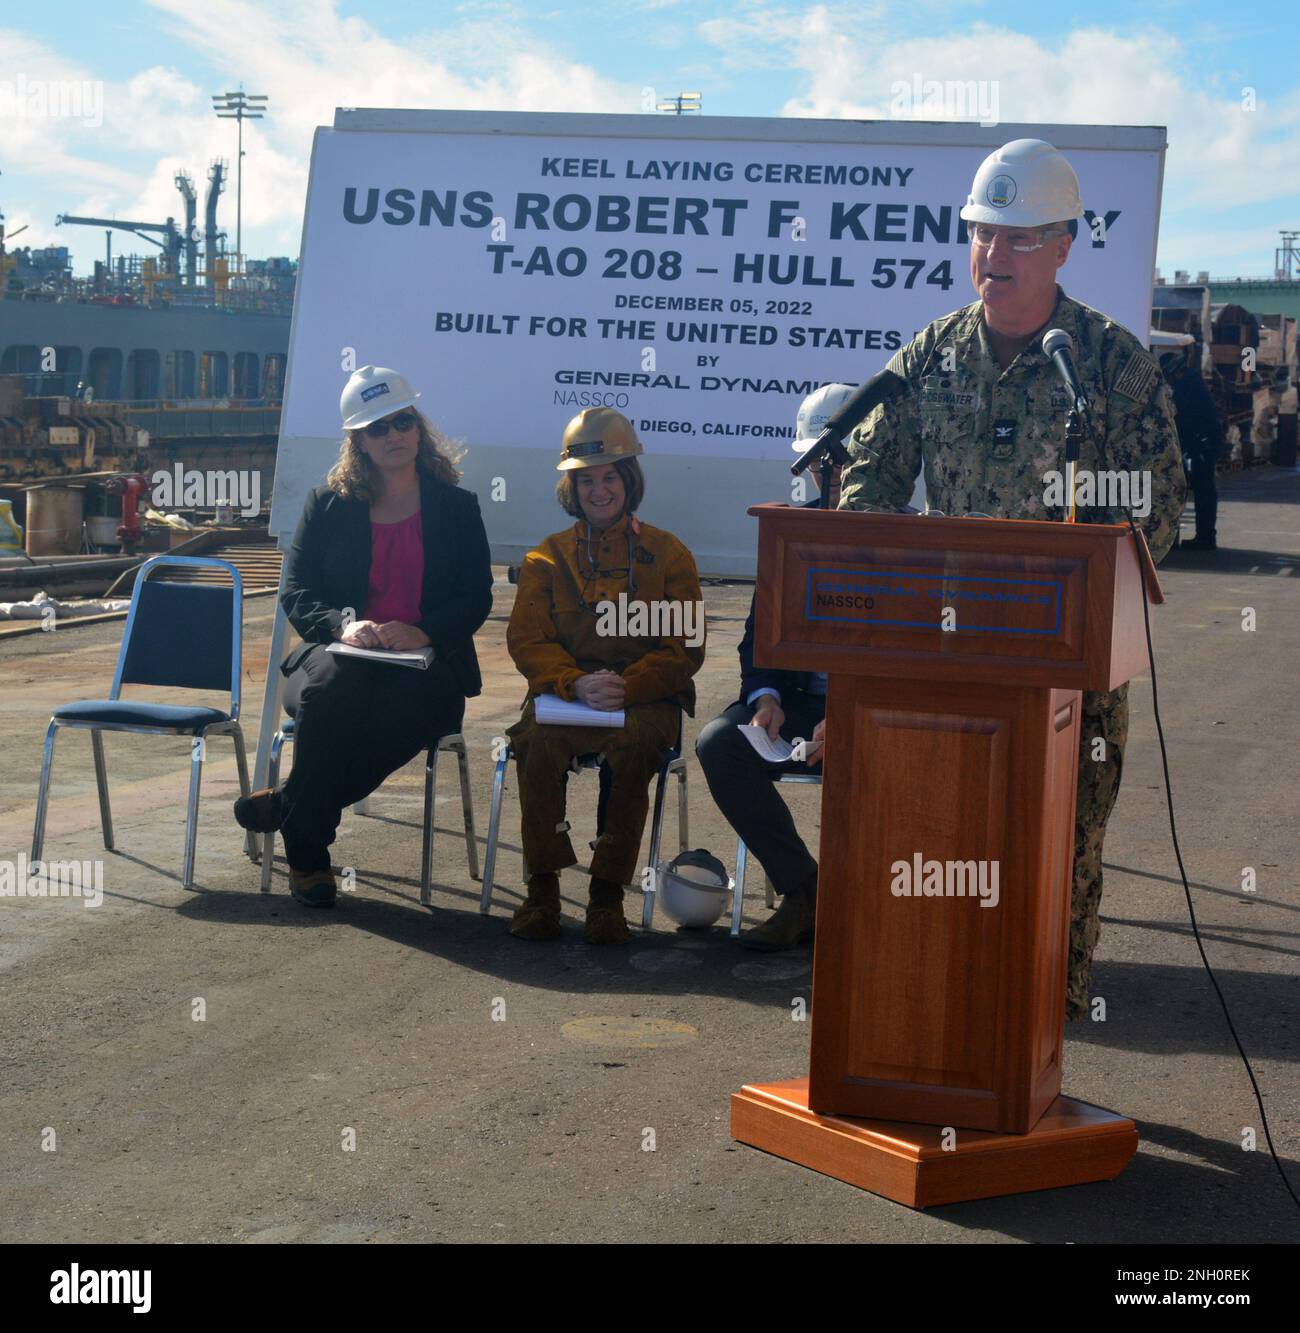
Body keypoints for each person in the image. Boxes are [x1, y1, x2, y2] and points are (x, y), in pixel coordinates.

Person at [837, 139, 1185, 1020]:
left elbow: (1160, 511)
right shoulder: (931, 357)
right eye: (983, 234)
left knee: (1056, 863)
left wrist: (1085, 568)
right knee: (940, 858)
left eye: (1020, 238)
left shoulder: (1108, 366)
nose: (995, 255)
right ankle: (945, 1041)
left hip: (1068, 677)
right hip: (945, 668)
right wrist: (876, 562)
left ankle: (1043, 1051)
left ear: (1065, 244)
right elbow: (869, 486)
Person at [234, 365, 493, 907]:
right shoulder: (327, 505)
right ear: (360, 442)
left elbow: (475, 597)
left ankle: (295, 815)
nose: (394, 435)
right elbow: (297, 591)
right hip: (335, 659)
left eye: (402, 421)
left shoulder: (456, 508)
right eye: (378, 428)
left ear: (418, 428)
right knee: (331, 694)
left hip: (426, 669)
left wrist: (421, 631)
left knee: (401, 712)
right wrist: (344, 626)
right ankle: (309, 854)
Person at [505, 408, 705, 944]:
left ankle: (605, 896)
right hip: (567, 696)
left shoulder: (668, 554)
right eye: (586, 479)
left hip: (645, 699)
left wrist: (627, 686)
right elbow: (527, 642)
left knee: (633, 743)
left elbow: (685, 648)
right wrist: (575, 683)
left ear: (629, 481)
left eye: (610, 477)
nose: (599, 490)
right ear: (571, 487)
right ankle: (541, 891)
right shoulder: (544, 560)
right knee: (534, 741)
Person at [695, 384, 855, 951]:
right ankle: (806, 890)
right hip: (796, 701)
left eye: (844, 458)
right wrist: (765, 697)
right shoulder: (790, 532)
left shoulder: (909, 534)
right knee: (721, 744)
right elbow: (759, 638)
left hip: (870, 707)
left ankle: (871, 903)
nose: (831, 475)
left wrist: (852, 717)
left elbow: (915, 655)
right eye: (821, 462)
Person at [1162, 349, 1224, 551]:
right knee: (1199, 490)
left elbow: (1182, 417)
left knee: (1199, 490)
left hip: (1201, 444)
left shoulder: (1187, 385)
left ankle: (1204, 538)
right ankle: (1203, 536)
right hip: (1200, 442)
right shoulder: (1190, 380)